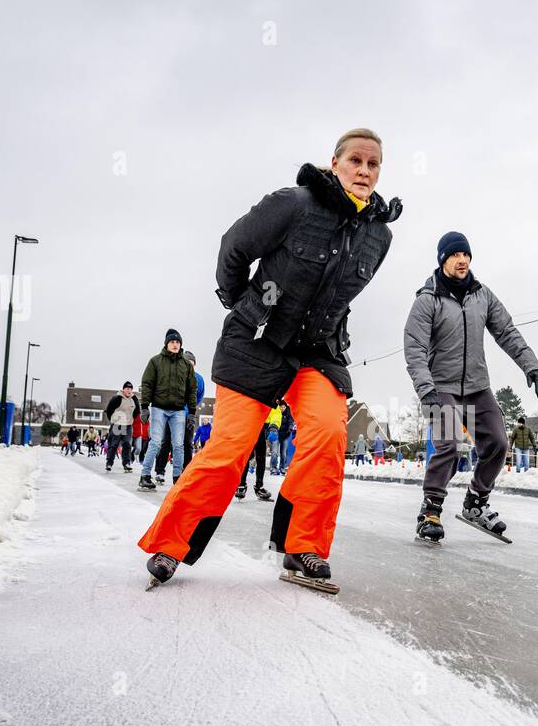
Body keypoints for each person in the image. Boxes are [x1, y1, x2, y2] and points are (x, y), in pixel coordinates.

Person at [138, 128, 401, 589]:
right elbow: (233, 248)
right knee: (229, 449)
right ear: (335, 163)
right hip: (256, 343)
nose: (363, 170)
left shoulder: (378, 236)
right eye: (355, 160)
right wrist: (245, 303)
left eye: (373, 163)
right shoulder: (295, 203)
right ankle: (170, 544)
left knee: (327, 436)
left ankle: (303, 548)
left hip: (318, 352)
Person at [404, 230, 538, 543]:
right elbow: (414, 348)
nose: (463, 260)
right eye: (456, 255)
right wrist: (425, 389)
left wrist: (531, 365)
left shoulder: (482, 295)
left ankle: (476, 502)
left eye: (466, 255)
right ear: (443, 260)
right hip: (440, 386)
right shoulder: (428, 299)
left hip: (477, 385)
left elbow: (507, 331)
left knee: (498, 442)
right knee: (451, 444)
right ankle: (430, 509)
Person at [137, 329, 195, 491]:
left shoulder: (185, 365)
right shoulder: (155, 361)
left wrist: (191, 412)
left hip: (178, 411)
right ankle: (145, 476)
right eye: (172, 342)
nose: (175, 344)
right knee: (155, 443)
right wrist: (144, 407)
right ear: (166, 344)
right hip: (159, 408)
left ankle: (178, 477)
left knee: (178, 445)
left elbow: (192, 389)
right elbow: (147, 384)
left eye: (177, 342)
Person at [154, 349, 206, 483]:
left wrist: (190, 408)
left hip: (188, 415)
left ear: (194, 364)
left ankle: (186, 471)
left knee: (187, 444)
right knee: (166, 442)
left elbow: (199, 396)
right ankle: (160, 471)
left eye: (191, 363)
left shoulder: (199, 379)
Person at [103, 381, 139, 473]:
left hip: (127, 425)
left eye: (130, 389)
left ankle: (126, 463)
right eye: (127, 388)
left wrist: (130, 419)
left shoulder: (133, 399)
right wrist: (113, 420)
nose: (129, 390)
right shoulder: (117, 398)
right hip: (118, 424)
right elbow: (109, 410)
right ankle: (109, 463)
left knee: (127, 444)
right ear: (123, 389)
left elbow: (137, 411)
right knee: (114, 444)